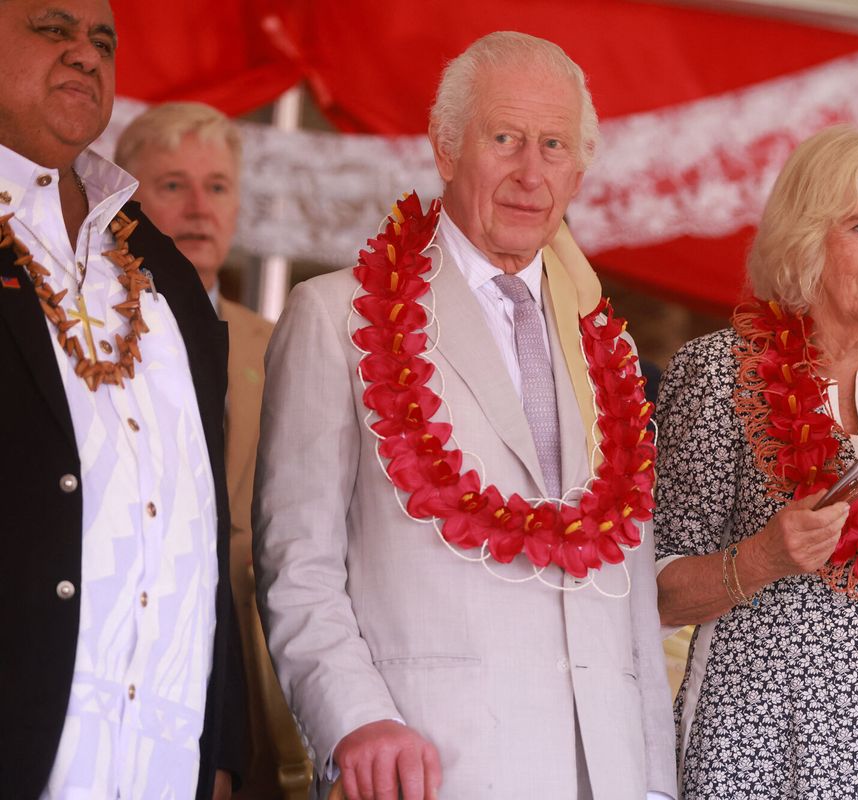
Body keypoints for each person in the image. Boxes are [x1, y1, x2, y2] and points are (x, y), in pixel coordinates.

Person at [253, 31, 676, 800]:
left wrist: (652, 780)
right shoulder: (336, 316)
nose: (530, 172)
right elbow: (296, 565)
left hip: (607, 775)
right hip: (433, 768)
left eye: (554, 146)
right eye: (505, 138)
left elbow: (633, 596)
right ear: (445, 150)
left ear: (579, 173)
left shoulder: (609, 350)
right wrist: (354, 720)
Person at [654, 125, 858, 798]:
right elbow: (657, 591)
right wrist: (762, 559)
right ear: (806, 236)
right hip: (763, 738)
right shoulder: (719, 373)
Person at [0, 1, 244, 798]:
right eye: (52, 28)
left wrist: (224, 744)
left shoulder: (165, 273)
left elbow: (205, 528)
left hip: (163, 762)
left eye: (101, 40)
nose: (84, 53)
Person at [114, 103, 293, 797]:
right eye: (171, 185)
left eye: (216, 186)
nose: (198, 207)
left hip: (265, 679)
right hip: (137, 671)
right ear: (124, 201)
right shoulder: (87, 341)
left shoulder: (284, 344)